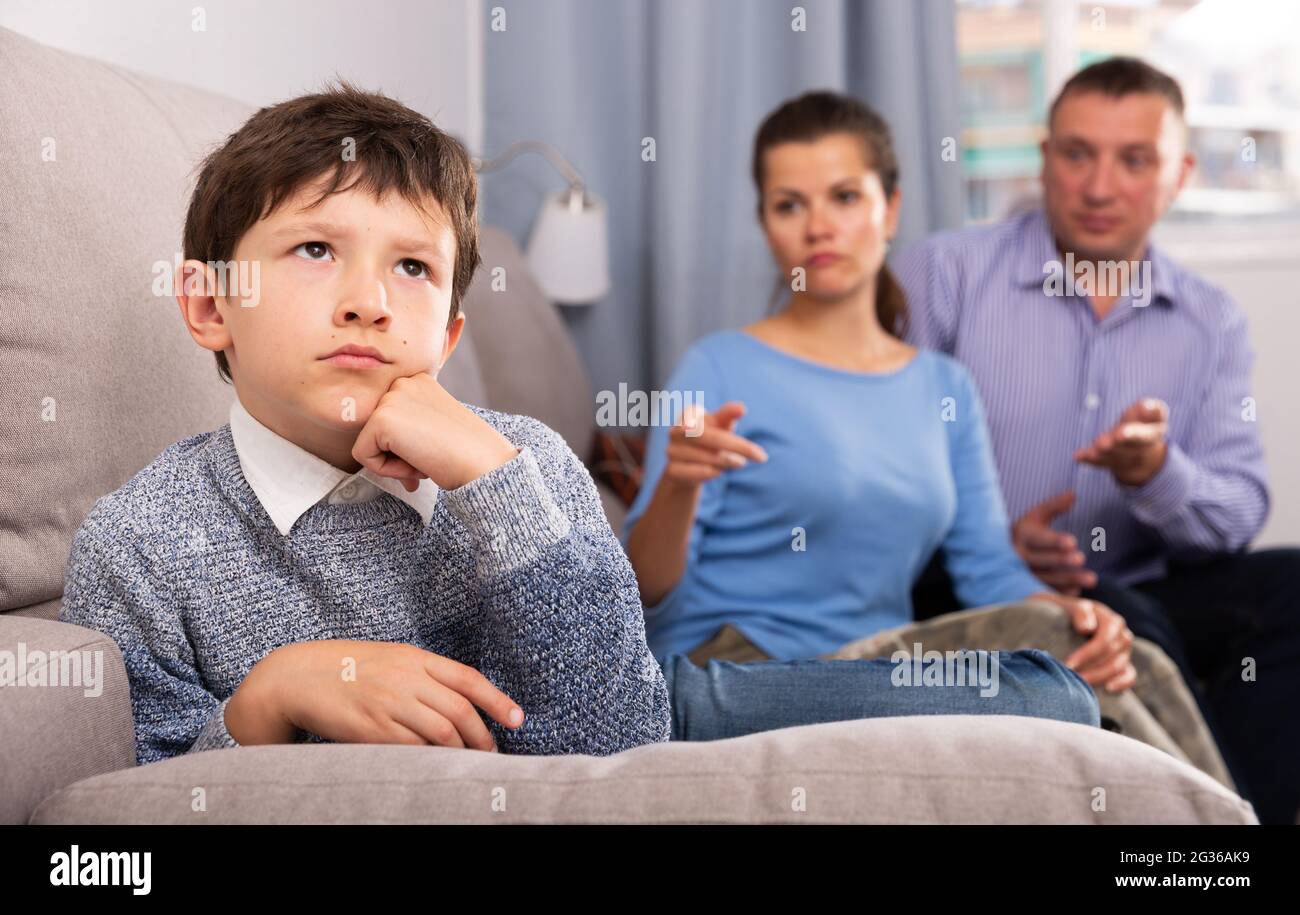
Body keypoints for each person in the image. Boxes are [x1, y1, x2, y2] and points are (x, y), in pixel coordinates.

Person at [59, 82, 670, 763]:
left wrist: (497, 487)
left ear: (446, 338)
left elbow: (627, 752)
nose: (370, 302)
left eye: (412, 265)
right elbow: (130, 815)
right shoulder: (136, 545)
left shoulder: (531, 467)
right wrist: (267, 700)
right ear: (210, 306)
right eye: (316, 249)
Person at [623, 91, 1111, 741]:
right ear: (766, 224)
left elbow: (988, 571)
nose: (818, 226)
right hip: (730, 676)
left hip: (873, 669)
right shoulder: (717, 368)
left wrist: (1080, 616)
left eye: (844, 197)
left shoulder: (946, 386)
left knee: (1087, 654)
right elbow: (645, 592)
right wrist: (679, 486)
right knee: (1057, 699)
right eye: (789, 204)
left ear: (891, 209)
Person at [894, 56, 1300, 824]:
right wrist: (993, 538)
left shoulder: (1210, 319)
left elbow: (1238, 513)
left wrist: (1157, 472)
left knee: (1288, 586)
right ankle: (1216, 841)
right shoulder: (942, 275)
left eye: (1134, 160)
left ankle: (1256, 816)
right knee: (1116, 613)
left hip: (1147, 586)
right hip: (960, 579)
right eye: (1078, 153)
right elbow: (877, 461)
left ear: (1178, 175)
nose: (1101, 186)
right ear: (1045, 158)